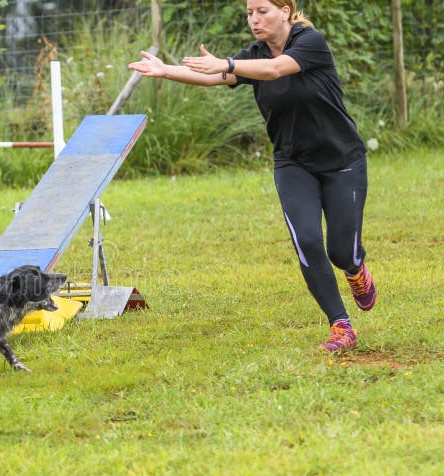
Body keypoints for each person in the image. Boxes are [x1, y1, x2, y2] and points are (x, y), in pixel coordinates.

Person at [128, 0, 377, 352]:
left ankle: (355, 269)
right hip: (292, 163)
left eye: (262, 11)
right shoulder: (254, 55)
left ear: (285, 11)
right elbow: (215, 77)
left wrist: (227, 63)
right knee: (307, 241)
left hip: (342, 160)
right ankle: (340, 325)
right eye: (249, 13)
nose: (254, 20)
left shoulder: (310, 42)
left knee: (341, 251)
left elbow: (275, 70)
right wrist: (166, 70)